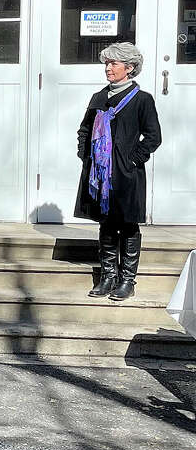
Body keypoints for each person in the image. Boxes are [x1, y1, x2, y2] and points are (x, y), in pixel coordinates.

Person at [75, 42, 162, 302]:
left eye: (114, 63)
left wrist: (132, 160)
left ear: (130, 67)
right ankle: (108, 276)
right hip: (100, 175)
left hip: (127, 174)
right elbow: (84, 130)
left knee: (128, 223)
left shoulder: (142, 99)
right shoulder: (99, 97)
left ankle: (127, 280)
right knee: (107, 223)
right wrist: (86, 156)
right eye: (107, 63)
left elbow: (153, 137)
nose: (108, 68)